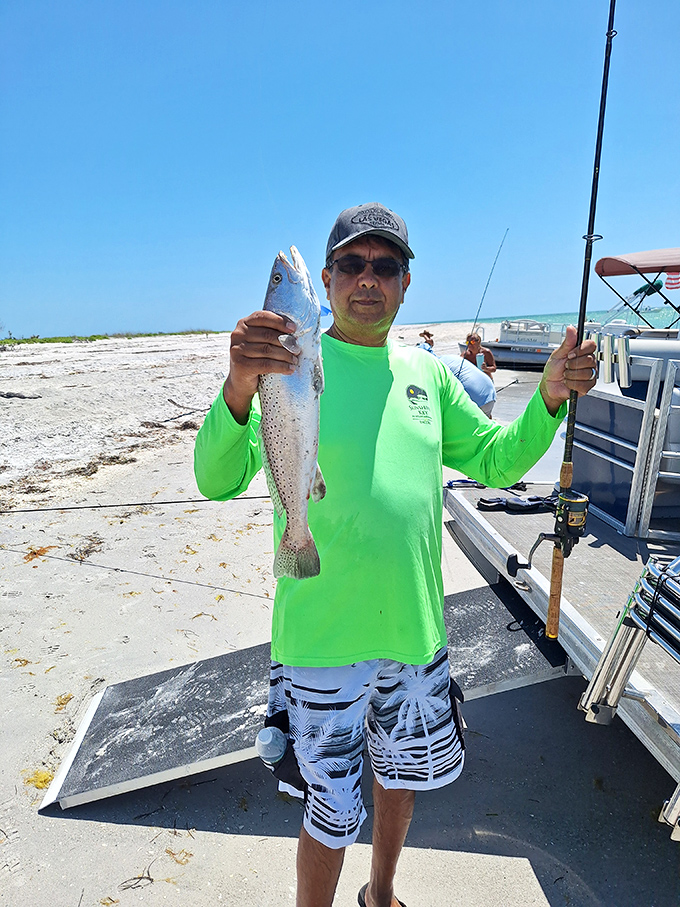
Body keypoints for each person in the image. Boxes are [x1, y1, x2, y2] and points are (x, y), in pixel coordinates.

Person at [193, 202, 597, 907]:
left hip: (414, 632)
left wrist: (551, 396)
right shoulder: (284, 368)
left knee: (401, 775)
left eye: (385, 266)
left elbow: (497, 461)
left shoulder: (430, 374)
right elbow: (216, 478)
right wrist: (236, 386)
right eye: (352, 264)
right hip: (320, 638)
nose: (368, 279)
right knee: (330, 807)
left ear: (406, 283)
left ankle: (381, 893)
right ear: (325, 281)